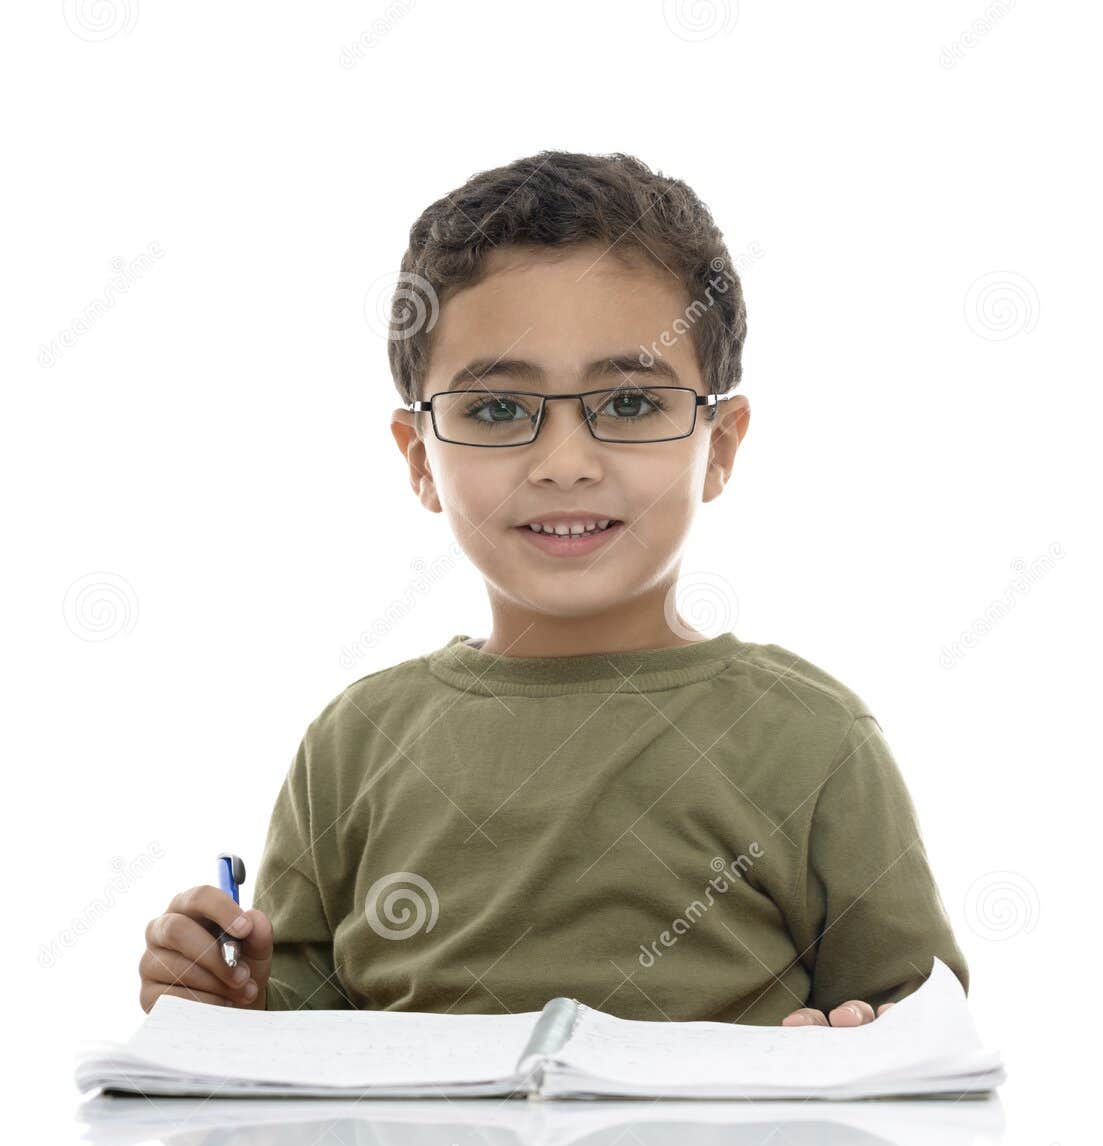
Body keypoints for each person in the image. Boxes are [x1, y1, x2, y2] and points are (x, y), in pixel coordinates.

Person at [139, 151, 967, 1029]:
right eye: (497, 410)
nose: (565, 465)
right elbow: (297, 1035)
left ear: (718, 445)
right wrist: (221, 999)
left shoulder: (813, 740)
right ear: (421, 460)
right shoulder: (355, 743)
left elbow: (922, 1029)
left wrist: (863, 1052)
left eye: (630, 403)